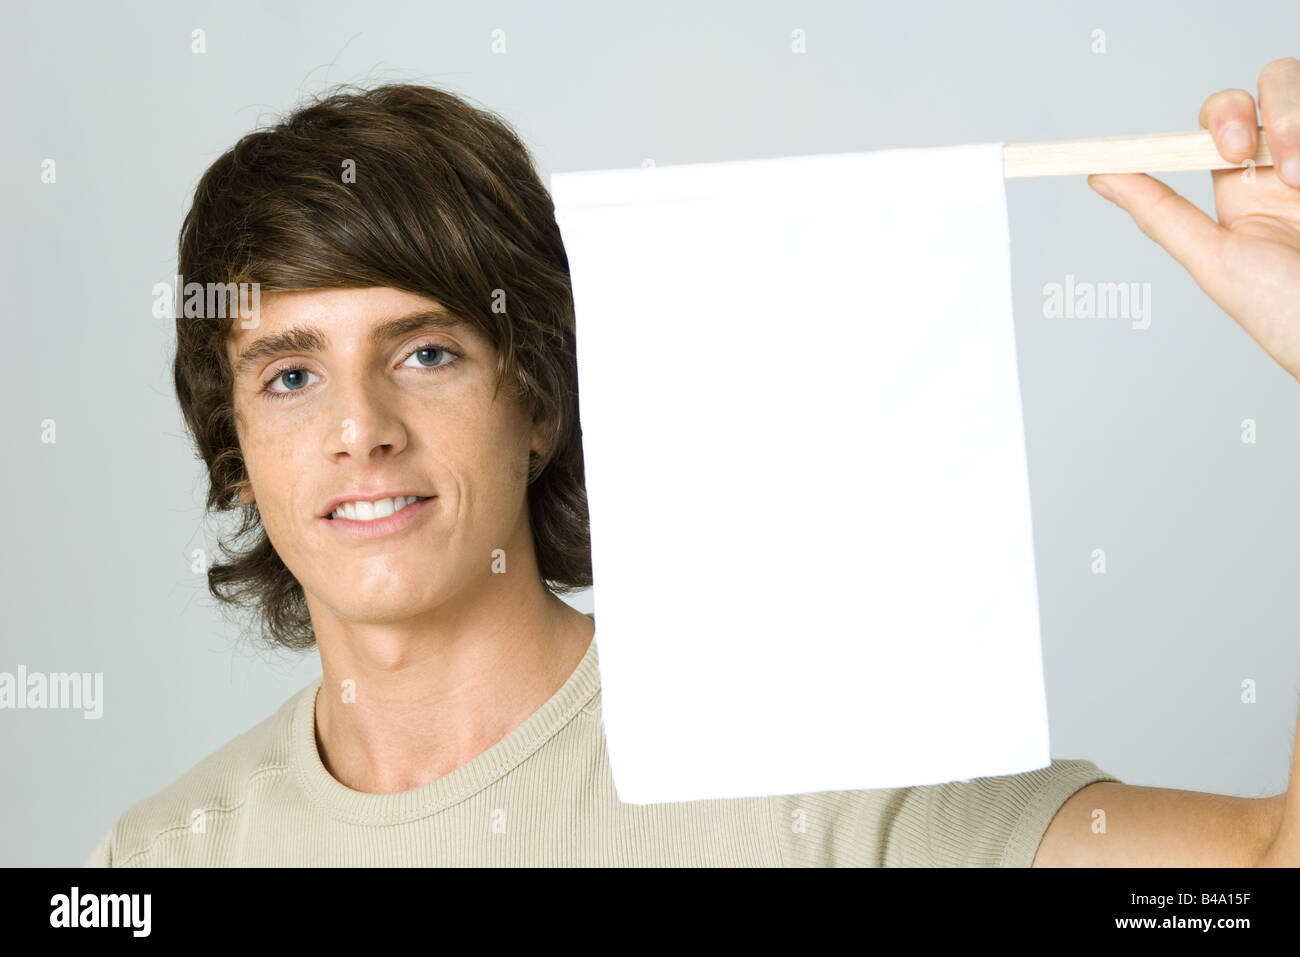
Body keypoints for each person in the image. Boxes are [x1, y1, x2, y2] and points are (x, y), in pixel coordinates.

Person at [85, 63, 1300, 867]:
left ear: (541, 403)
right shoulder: (163, 858)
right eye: (291, 375)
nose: (359, 428)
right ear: (232, 445)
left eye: (428, 352)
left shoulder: (797, 745)